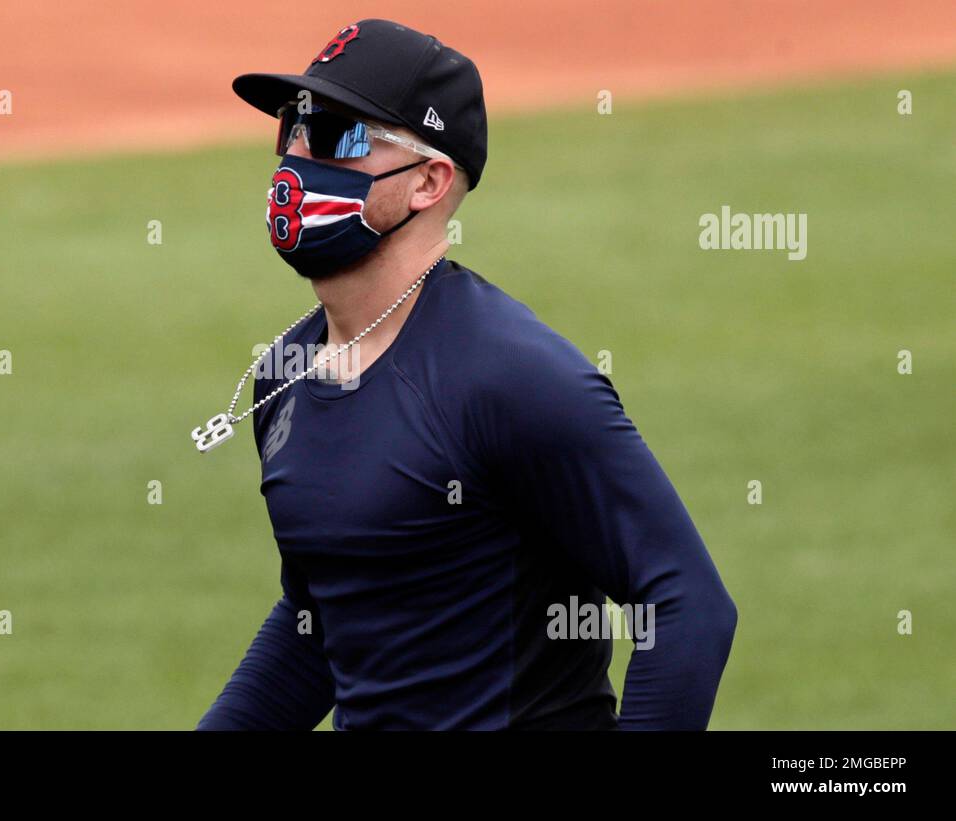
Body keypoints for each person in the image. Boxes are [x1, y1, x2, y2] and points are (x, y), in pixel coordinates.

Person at [195, 19, 737, 730]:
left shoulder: (510, 376)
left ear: (428, 180)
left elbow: (686, 601)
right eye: (292, 128)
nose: (297, 156)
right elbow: (320, 621)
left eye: (334, 135)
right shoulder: (286, 378)